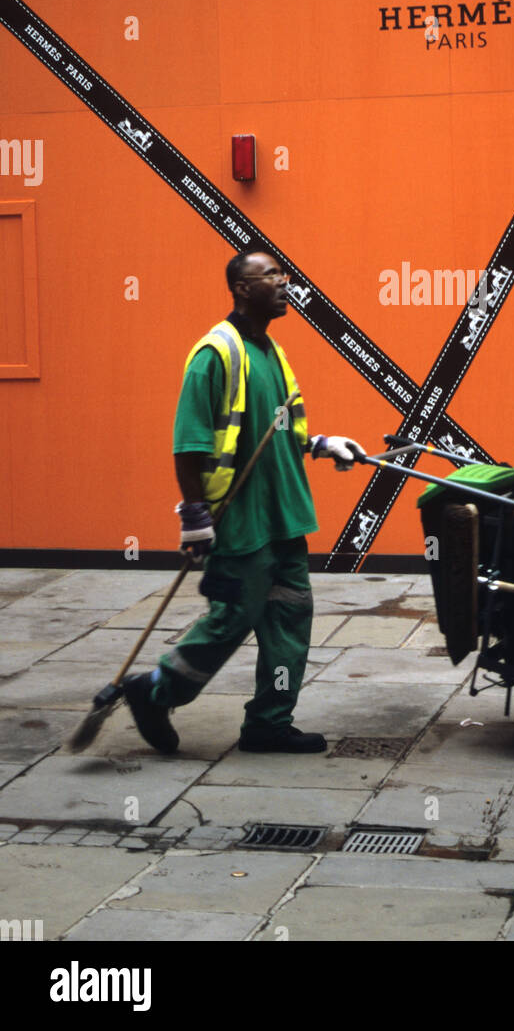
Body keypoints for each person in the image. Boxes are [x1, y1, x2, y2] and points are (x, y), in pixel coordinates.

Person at [123, 252, 365, 755]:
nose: (284, 284)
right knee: (232, 617)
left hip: (283, 518)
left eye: (284, 275)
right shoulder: (216, 354)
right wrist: (195, 518)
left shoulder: (271, 353)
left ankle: (269, 724)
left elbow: (282, 430)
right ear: (240, 288)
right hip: (237, 520)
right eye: (271, 276)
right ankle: (155, 691)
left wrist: (323, 443)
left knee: (288, 623)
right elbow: (188, 443)